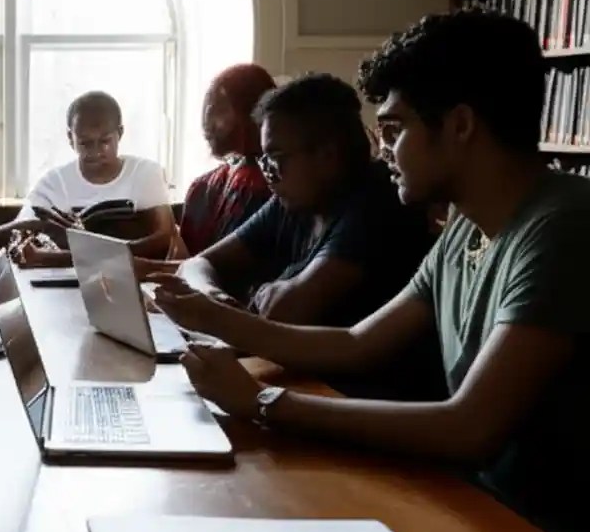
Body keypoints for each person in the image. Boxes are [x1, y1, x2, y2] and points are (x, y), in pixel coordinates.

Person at [152, 8, 590, 532]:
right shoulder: (464, 230)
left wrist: (264, 402)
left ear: (459, 125)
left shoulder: (563, 228)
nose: (382, 150)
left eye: (394, 129)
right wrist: (211, 317)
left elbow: (469, 426)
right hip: (475, 510)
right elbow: (357, 343)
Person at [167, 73, 440, 399]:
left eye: (276, 158)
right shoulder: (292, 199)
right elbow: (196, 265)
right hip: (308, 386)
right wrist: (213, 298)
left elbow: (287, 311)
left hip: (366, 403)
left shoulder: (379, 201)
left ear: (328, 154)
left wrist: (217, 313)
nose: (268, 173)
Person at [0, 91, 176, 267]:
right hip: (62, 285)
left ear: (120, 134)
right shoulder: (54, 183)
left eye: (105, 141)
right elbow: (13, 234)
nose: (96, 151)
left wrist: (58, 258)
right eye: (85, 143)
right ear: (70, 138)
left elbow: (162, 240)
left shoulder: (145, 173)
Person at [175, 64, 277, 257]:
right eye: (208, 107)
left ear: (251, 111)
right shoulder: (202, 186)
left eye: (220, 109)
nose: (207, 122)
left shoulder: (268, 188)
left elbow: (224, 270)